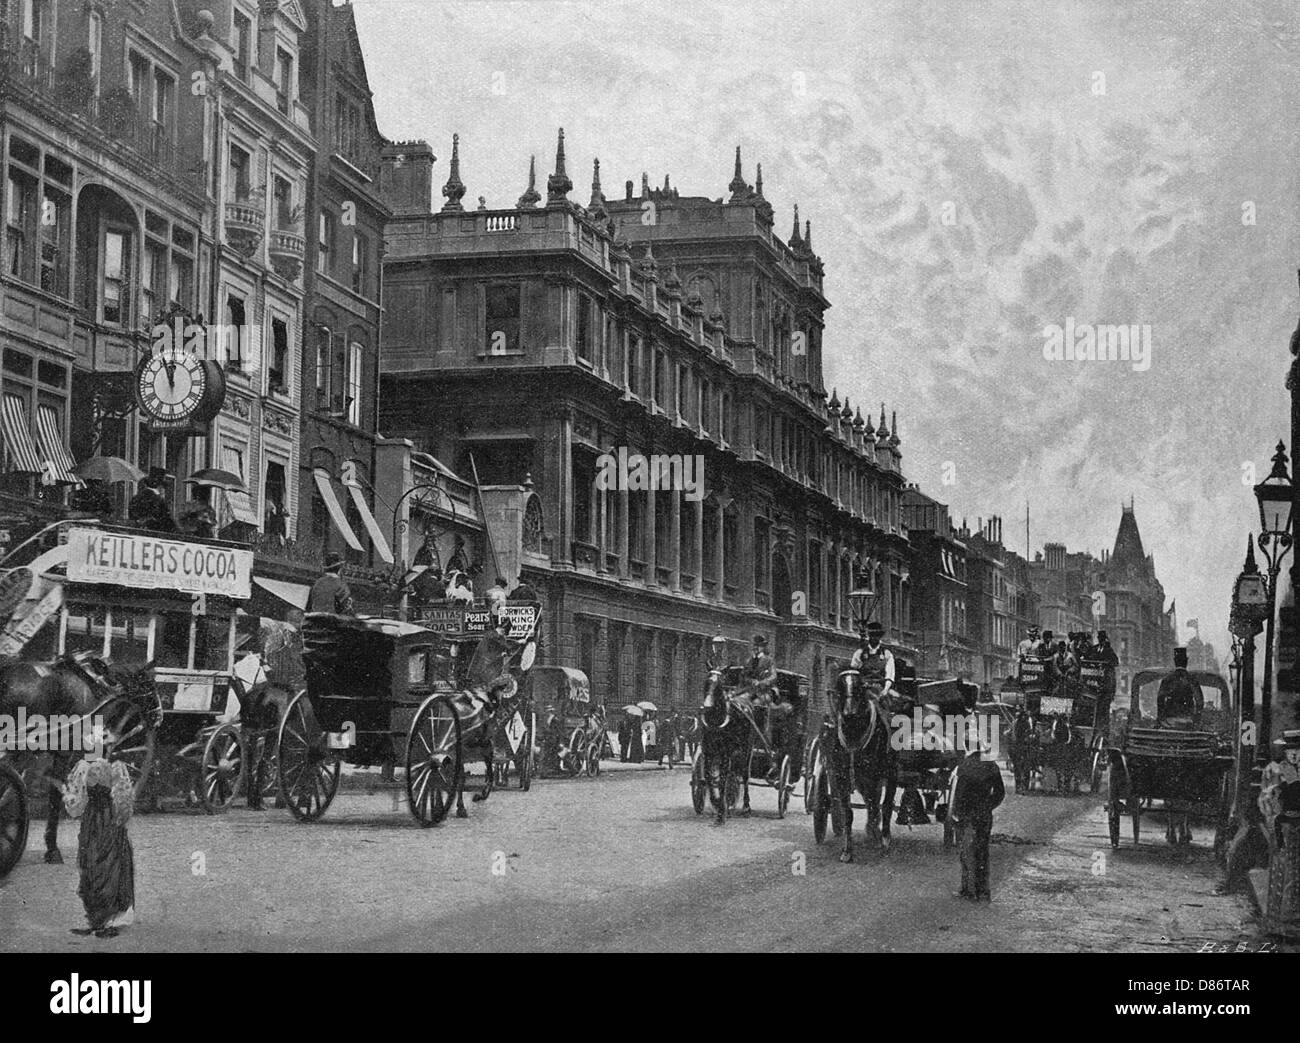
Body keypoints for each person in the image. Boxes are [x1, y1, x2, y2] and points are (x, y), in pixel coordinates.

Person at [62, 755, 136, 937]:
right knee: (90, 867)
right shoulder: (83, 767)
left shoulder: (117, 767)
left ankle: (111, 921)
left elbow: (123, 799)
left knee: (109, 868)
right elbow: (76, 802)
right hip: (91, 822)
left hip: (108, 821)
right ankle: (96, 921)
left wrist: (119, 819)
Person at [949, 724, 1005, 901]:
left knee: (967, 853)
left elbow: (958, 796)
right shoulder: (992, 766)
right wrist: (988, 806)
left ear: (966, 745)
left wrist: (956, 815)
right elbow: (1000, 793)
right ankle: (984, 891)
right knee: (982, 852)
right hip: (985, 815)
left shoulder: (963, 767)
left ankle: (969, 891)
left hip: (967, 817)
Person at [850, 621, 896, 702]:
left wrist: (885, 689)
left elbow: (889, 676)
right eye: (872, 635)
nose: (874, 638)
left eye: (877, 636)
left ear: (880, 637)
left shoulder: (887, 654)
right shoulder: (859, 653)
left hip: (880, 689)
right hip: (863, 689)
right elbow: (853, 670)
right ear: (869, 636)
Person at [1156, 647, 1202, 727]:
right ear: (1186, 661)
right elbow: (1199, 701)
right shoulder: (1192, 679)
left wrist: (1161, 718)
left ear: (1175, 661)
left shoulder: (1167, 679)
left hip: (1169, 720)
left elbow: (1160, 699)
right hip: (1188, 720)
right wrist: (1196, 719)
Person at [127, 467, 177, 534]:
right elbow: (168, 523)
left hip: (136, 534)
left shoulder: (135, 498)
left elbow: (132, 517)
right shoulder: (159, 501)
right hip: (155, 535)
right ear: (160, 486)